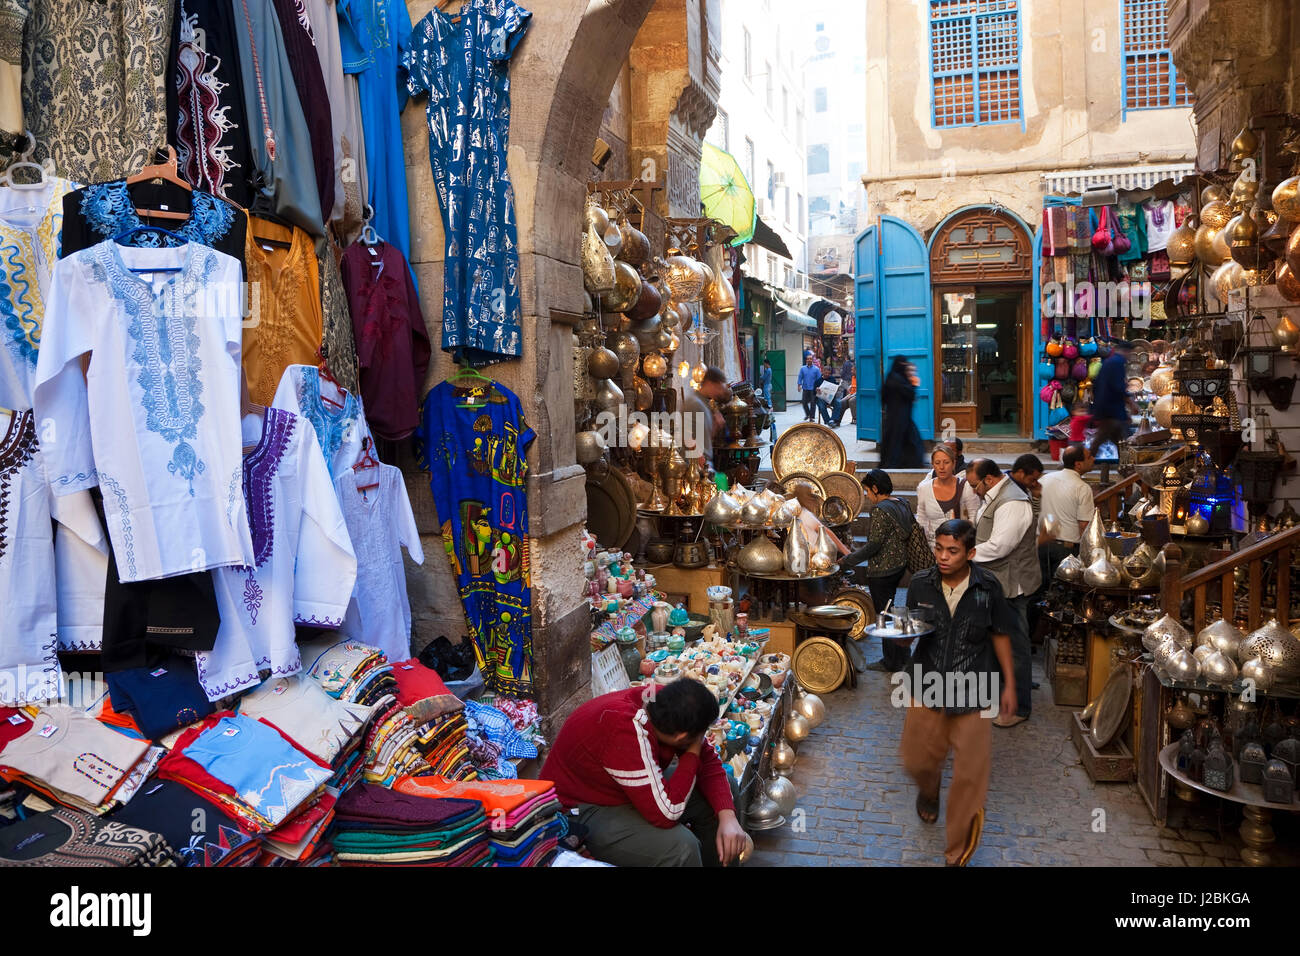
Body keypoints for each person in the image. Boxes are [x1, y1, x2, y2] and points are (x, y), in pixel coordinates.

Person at [899, 518, 1017, 867]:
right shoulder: (921, 583)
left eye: (952, 551)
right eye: (938, 548)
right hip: (927, 683)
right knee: (916, 760)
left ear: (971, 553)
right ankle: (929, 788)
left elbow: (1000, 634)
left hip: (975, 689)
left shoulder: (987, 587)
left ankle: (957, 855)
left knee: (969, 779)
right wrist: (903, 638)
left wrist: (1010, 684)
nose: (943, 557)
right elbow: (909, 627)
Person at [540, 679, 749, 867]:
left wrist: (727, 816)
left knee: (725, 789)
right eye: (698, 736)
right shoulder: (625, 728)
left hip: (618, 787)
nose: (699, 741)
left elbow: (709, 761)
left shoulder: (663, 702)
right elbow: (668, 813)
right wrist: (692, 752)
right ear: (682, 737)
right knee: (681, 847)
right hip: (580, 809)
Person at [968, 459, 1039, 728]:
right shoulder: (994, 494)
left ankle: (1019, 708)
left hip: (1013, 584)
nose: (972, 490)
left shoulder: (1013, 502)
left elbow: (1000, 546)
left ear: (989, 479)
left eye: (975, 485)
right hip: (995, 582)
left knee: (1016, 649)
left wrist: (966, 555)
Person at [840, 469, 915, 672]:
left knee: (885, 614)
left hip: (883, 570)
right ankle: (903, 655)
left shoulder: (880, 509)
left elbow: (874, 545)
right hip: (899, 565)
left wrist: (848, 560)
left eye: (866, 490)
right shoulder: (902, 503)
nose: (866, 495)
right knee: (895, 612)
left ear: (875, 488)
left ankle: (890, 661)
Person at [1038, 443, 1096, 579]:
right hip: (1066, 550)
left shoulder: (1044, 479)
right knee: (1063, 593)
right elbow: (1084, 525)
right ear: (1078, 464)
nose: (1093, 459)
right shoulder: (1082, 488)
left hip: (1042, 544)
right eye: (1089, 457)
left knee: (1043, 590)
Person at [917, 442, 980, 544]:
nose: (942, 467)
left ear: (953, 463)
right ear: (933, 465)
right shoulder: (924, 488)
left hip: (958, 544)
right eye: (937, 463)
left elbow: (974, 517)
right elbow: (921, 520)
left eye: (946, 462)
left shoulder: (966, 486)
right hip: (932, 547)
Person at [1089, 339, 1138, 457]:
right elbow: (1118, 387)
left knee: (1116, 440)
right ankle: (1081, 461)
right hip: (1112, 411)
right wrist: (1131, 403)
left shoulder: (1109, 361)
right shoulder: (1117, 362)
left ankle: (1126, 466)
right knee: (1118, 440)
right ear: (1126, 352)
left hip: (1106, 409)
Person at [880, 356, 925, 468]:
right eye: (903, 364)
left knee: (896, 440)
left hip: (894, 416)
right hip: (900, 417)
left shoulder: (891, 377)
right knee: (902, 441)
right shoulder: (898, 379)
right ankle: (900, 463)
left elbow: (883, 396)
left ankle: (898, 462)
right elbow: (910, 394)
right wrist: (914, 385)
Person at [682, 366, 728, 467]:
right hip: (696, 464)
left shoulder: (704, 404)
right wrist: (700, 459)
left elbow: (703, 437)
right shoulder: (694, 403)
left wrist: (715, 424)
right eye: (719, 388)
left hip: (703, 462)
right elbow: (687, 434)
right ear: (709, 383)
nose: (720, 392)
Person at [797, 352, 822, 422]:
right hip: (805, 388)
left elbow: (819, 379)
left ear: (812, 360)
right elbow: (800, 377)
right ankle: (807, 414)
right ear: (806, 360)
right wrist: (799, 385)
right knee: (804, 402)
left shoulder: (816, 369)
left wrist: (819, 388)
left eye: (810, 359)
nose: (809, 360)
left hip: (813, 389)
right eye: (808, 359)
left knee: (813, 403)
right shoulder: (802, 368)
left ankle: (812, 417)